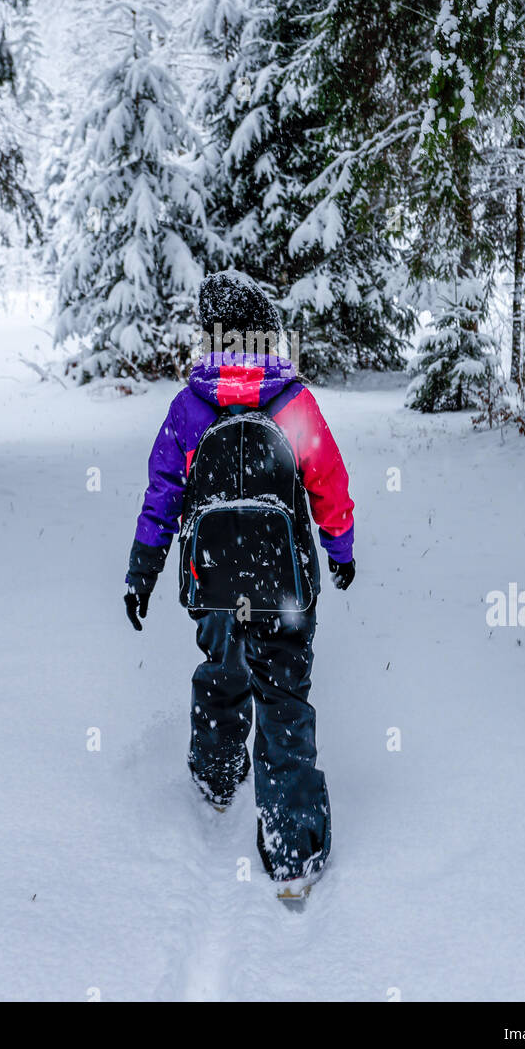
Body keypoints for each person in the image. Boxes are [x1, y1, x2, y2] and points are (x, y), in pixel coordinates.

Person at [124, 270, 355, 893]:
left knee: (223, 668)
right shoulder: (292, 401)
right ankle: (293, 844)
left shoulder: (190, 407)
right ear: (266, 333)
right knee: (283, 697)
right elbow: (327, 481)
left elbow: (163, 496)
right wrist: (340, 549)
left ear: (213, 335)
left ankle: (217, 776)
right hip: (284, 581)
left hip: (214, 580)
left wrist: (143, 571)